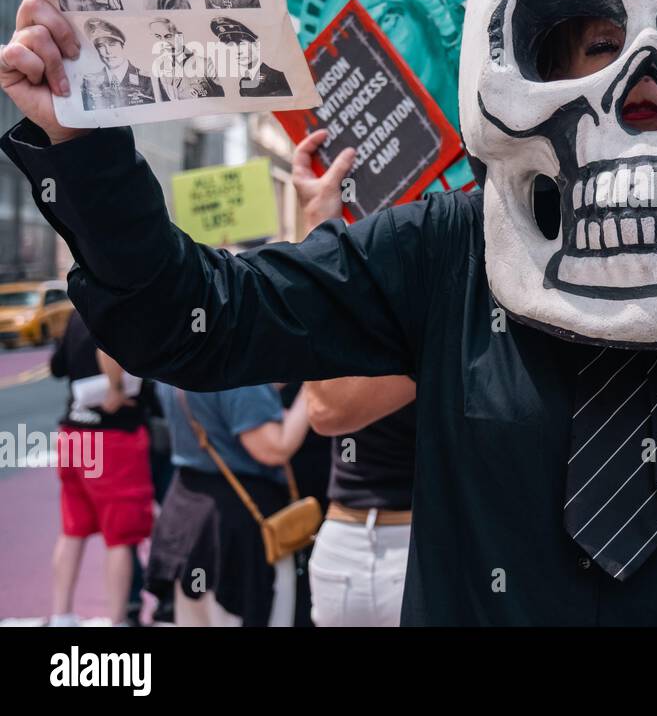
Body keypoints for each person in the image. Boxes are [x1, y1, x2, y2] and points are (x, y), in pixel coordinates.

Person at [0, 0, 657, 626]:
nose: (648, 93)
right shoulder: (444, 254)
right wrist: (82, 141)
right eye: (603, 45)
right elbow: (194, 317)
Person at [290, 129, 418, 627]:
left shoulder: (358, 313)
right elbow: (325, 408)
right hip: (371, 546)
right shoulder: (440, 307)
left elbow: (324, 408)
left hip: (370, 545)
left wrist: (318, 226)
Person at [146, 382, 311, 626]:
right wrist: (310, 390)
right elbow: (274, 449)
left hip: (188, 512)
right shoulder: (237, 373)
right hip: (236, 525)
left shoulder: (173, 365)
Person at [48, 310, 154, 626]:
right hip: (112, 436)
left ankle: (62, 615)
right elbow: (106, 349)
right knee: (120, 535)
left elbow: (57, 367)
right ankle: (118, 619)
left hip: (74, 429)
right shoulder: (121, 310)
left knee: (73, 528)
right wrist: (116, 388)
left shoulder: (77, 313)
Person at [81, 18, 154, 110]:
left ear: (123, 47)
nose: (108, 52)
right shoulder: (89, 83)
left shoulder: (148, 80)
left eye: (112, 45)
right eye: (101, 46)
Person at [210, 17, 291, 97]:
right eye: (231, 45)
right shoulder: (245, 82)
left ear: (256, 46)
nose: (237, 51)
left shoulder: (277, 79)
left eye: (241, 44)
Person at [149, 17, 223, 101]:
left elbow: (225, 99)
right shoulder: (158, 68)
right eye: (158, 36)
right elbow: (161, 103)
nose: (163, 42)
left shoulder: (205, 64)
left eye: (168, 36)